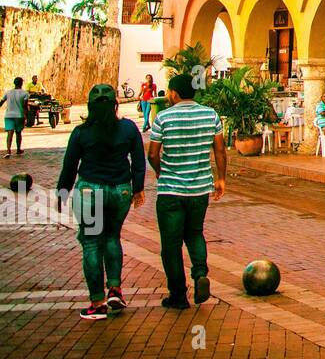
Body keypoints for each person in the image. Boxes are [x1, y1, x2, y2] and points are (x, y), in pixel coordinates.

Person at [56, 84, 146, 320]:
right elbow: (138, 160)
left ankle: (97, 301)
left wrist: (62, 193)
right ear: (115, 105)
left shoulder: (81, 133)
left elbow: (70, 166)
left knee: (92, 243)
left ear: (90, 106)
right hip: (120, 191)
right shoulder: (128, 128)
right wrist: (138, 188)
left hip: (90, 192)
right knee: (112, 237)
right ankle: (115, 289)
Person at [147, 73, 226, 309]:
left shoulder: (163, 117)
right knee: (194, 233)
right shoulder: (210, 115)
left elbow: (152, 154)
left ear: (174, 93)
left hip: (171, 191)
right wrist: (221, 179)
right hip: (199, 188)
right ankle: (200, 273)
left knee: (170, 244)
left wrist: (163, 173)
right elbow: (220, 150)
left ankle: (178, 295)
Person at [3, 76, 30, 157]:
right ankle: (18, 149)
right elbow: (25, 106)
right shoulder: (25, 93)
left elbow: (1, 102)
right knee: (18, 133)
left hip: (8, 115)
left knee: (9, 133)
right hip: (19, 115)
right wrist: (26, 116)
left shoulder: (8, 92)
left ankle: (8, 150)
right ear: (21, 83)